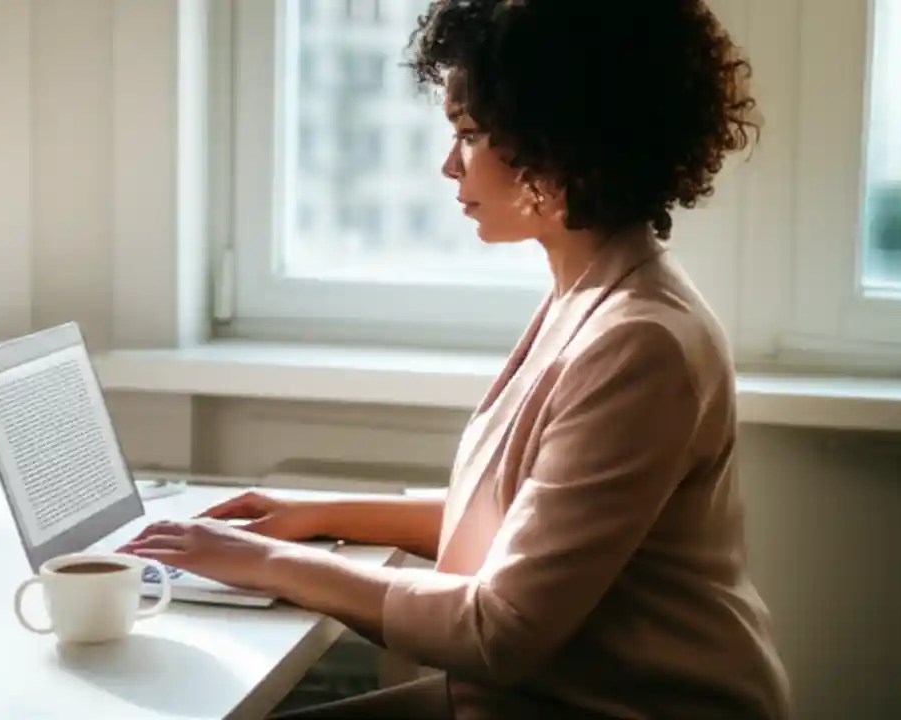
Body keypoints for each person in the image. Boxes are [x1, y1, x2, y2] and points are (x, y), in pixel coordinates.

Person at [120, 0, 792, 717]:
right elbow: (524, 519)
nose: (448, 165)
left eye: (468, 134)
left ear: (557, 141)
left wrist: (263, 563)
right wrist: (307, 513)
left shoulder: (640, 343)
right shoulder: (593, 294)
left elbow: (499, 629)